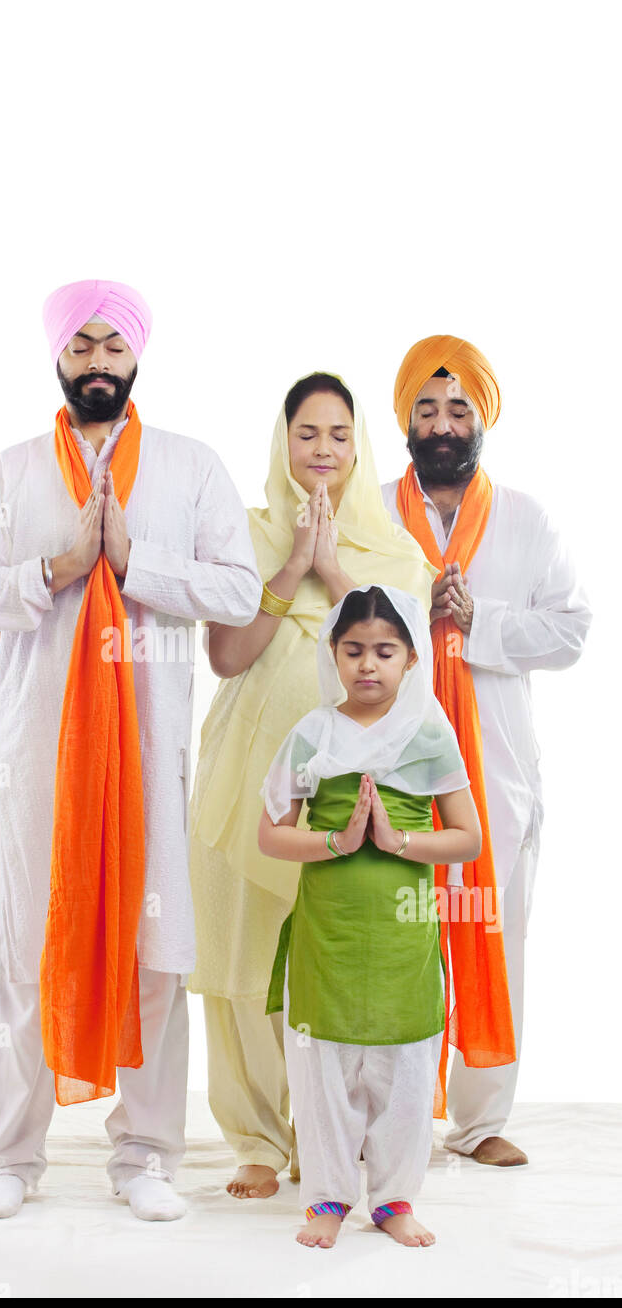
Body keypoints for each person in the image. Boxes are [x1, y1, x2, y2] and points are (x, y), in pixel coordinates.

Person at [0, 279, 262, 1222]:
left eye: (112, 346)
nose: (96, 363)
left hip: (150, 751)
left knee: (155, 947)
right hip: (42, 753)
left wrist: (134, 563)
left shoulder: (190, 466)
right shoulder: (9, 473)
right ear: (57, 357)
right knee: (29, 948)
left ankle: (148, 1155)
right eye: (80, 346)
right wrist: (56, 569)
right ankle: (9, 1155)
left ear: (136, 358)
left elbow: (239, 592)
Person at [187, 372, 435, 1199]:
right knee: (243, 959)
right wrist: (295, 561)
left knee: (336, 960)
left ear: (357, 447)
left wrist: (336, 566)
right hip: (246, 776)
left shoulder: (397, 552)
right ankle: (255, 1139)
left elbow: (403, 673)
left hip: (351, 787)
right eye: (306, 435)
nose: (321, 451)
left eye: (336, 435)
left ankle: (334, 1136)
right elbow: (226, 656)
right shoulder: (246, 533)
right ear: (282, 443)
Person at [383, 336, 592, 1166]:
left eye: (457, 408)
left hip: (493, 770)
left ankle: (479, 1123)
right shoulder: (372, 511)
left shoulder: (525, 519)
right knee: (399, 935)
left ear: (481, 419)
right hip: (392, 760)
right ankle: (392, 1119)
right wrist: (412, 608)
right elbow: (332, 626)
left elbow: (572, 632)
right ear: (405, 421)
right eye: (426, 409)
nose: (441, 424)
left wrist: (480, 624)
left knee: (492, 931)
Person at [259, 584, 480, 1248]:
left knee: (406, 1062)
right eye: (352, 650)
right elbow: (271, 834)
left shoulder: (428, 732)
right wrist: (335, 843)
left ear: (410, 659)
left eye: (384, 651)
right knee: (321, 1061)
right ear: (332, 653)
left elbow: (466, 837)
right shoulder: (312, 734)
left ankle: (393, 1200)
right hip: (327, 925)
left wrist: (398, 842)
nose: (367, 666)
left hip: (401, 928)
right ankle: (326, 1199)